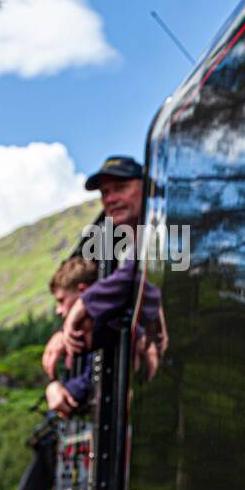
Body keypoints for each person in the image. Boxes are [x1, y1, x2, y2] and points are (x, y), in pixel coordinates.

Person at [59, 156, 164, 364]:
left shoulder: (166, 233)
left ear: (147, 189)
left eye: (121, 187)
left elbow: (138, 270)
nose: (110, 199)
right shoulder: (130, 250)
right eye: (105, 193)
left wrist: (83, 305)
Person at [42, 255, 97, 418]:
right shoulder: (79, 336)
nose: (58, 311)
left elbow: (92, 379)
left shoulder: (106, 328)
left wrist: (59, 389)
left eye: (61, 300)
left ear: (83, 292)